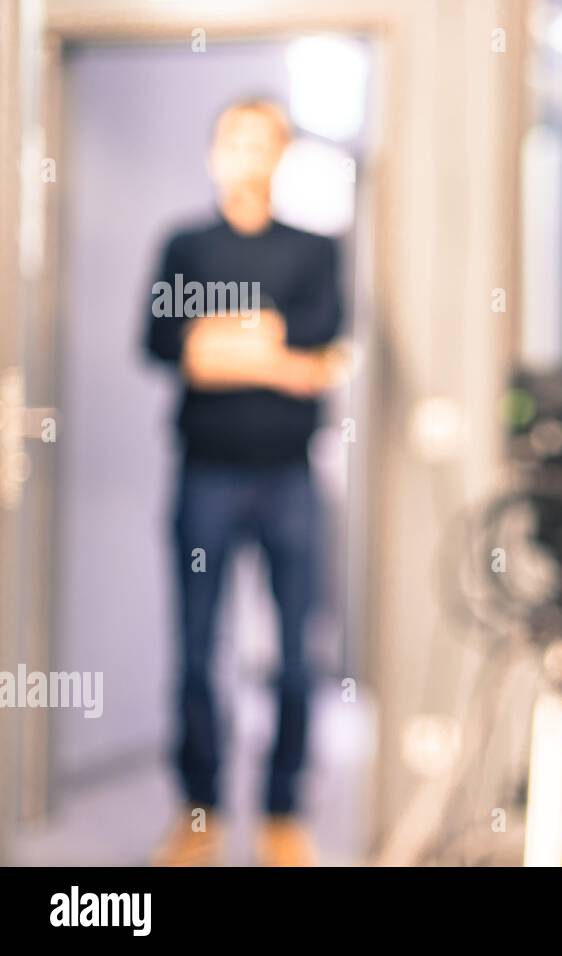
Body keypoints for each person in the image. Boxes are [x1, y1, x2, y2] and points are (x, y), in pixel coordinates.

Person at [144, 99, 346, 866]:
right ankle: (198, 811)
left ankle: (282, 812)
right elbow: (168, 345)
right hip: (205, 478)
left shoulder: (315, 251)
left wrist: (221, 340)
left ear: (282, 155)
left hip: (290, 481)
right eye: (234, 138)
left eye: (264, 140)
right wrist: (266, 345)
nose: (248, 152)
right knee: (196, 650)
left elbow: (322, 357)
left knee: (296, 657)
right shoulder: (184, 245)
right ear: (214, 154)